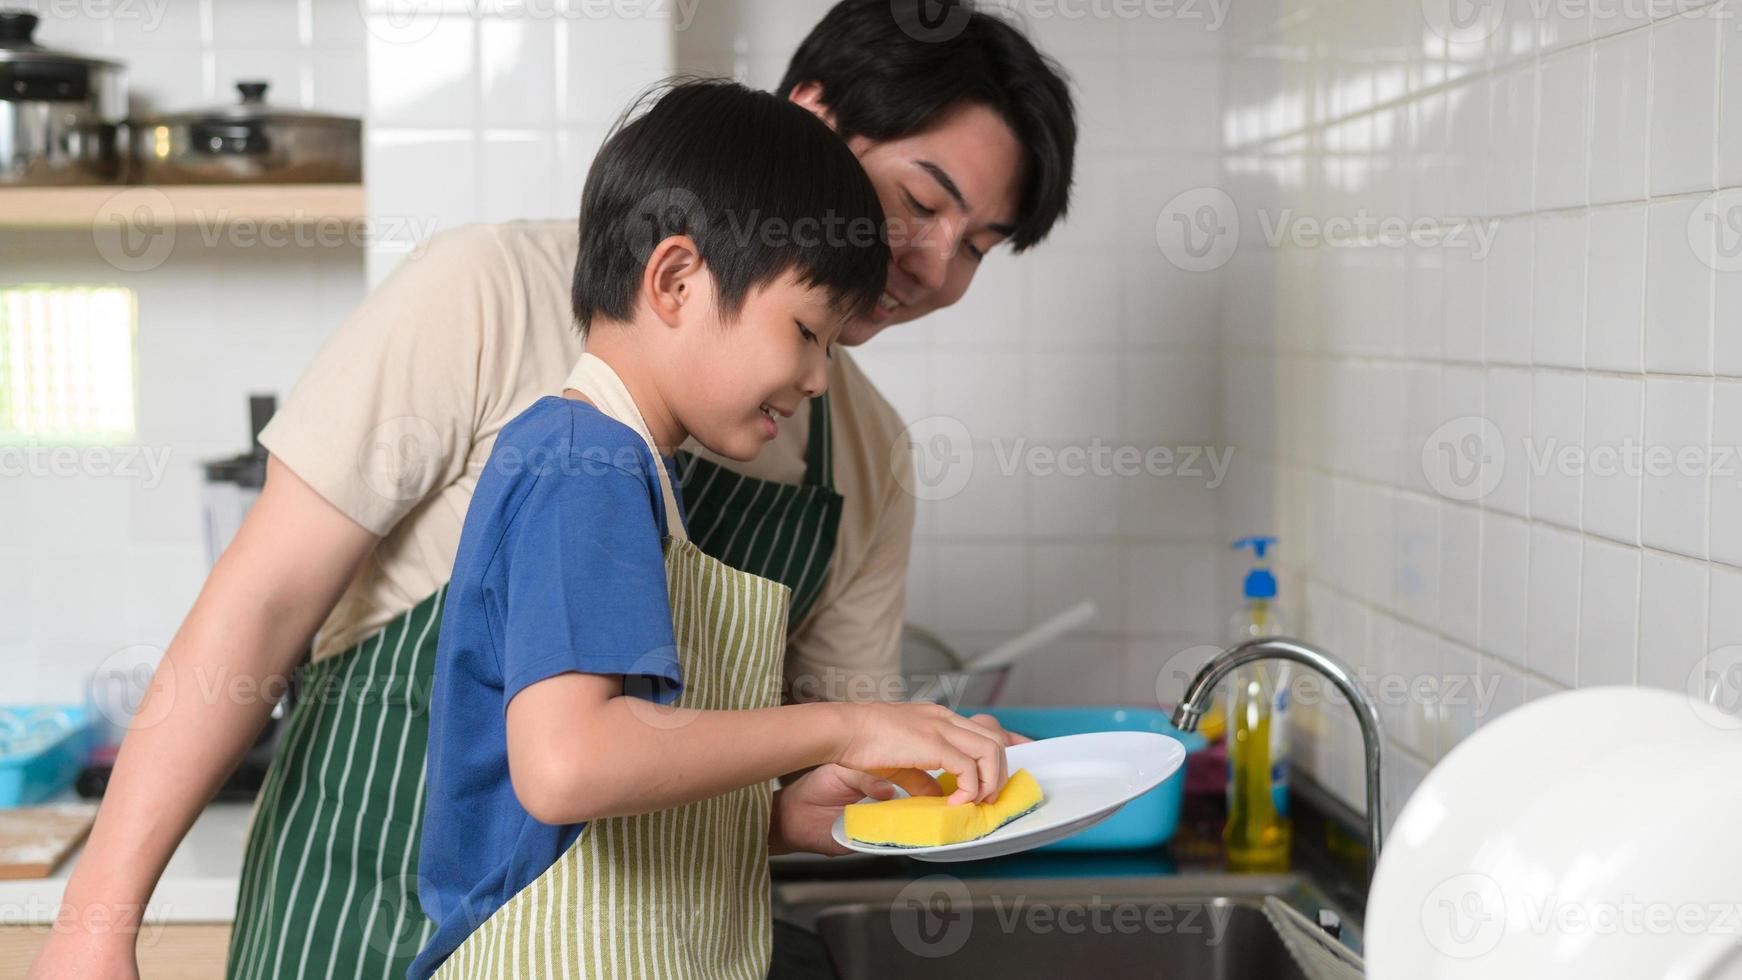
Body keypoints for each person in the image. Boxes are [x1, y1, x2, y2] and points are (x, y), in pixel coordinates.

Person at [27, 3, 1076, 978]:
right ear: (804, 124)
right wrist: (93, 922)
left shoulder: (867, 451)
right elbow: (260, 607)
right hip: (355, 923)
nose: (935, 265)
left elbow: (756, 762)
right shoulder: (492, 307)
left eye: (978, 245)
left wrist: (845, 794)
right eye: (920, 201)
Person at [409, 79, 1014, 979]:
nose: (817, 379)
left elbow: (618, 804)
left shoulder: (627, 472)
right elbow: (570, 764)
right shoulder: (587, 464)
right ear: (678, 279)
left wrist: (784, 816)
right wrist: (843, 726)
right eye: (807, 332)